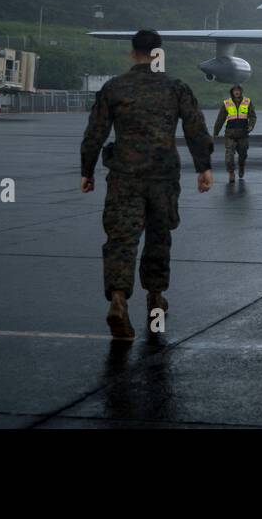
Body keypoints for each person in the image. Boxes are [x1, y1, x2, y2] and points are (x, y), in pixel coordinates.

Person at [80, 29, 213, 339]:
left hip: (124, 176)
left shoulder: (115, 88)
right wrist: (203, 167)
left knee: (121, 240)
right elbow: (196, 128)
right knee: (158, 237)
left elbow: (95, 133)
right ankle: (155, 295)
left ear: (132, 53)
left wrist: (87, 171)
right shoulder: (175, 88)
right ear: (158, 54)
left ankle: (117, 300)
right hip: (163, 178)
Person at [213, 84, 256, 183]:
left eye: (238, 90)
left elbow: (253, 116)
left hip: (243, 134)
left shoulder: (247, 102)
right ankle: (231, 173)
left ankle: (241, 167)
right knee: (229, 156)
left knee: (243, 155)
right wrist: (215, 132)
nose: (236, 92)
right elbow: (220, 119)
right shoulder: (227, 103)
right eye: (234, 90)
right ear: (232, 92)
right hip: (230, 134)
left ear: (241, 91)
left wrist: (251, 126)